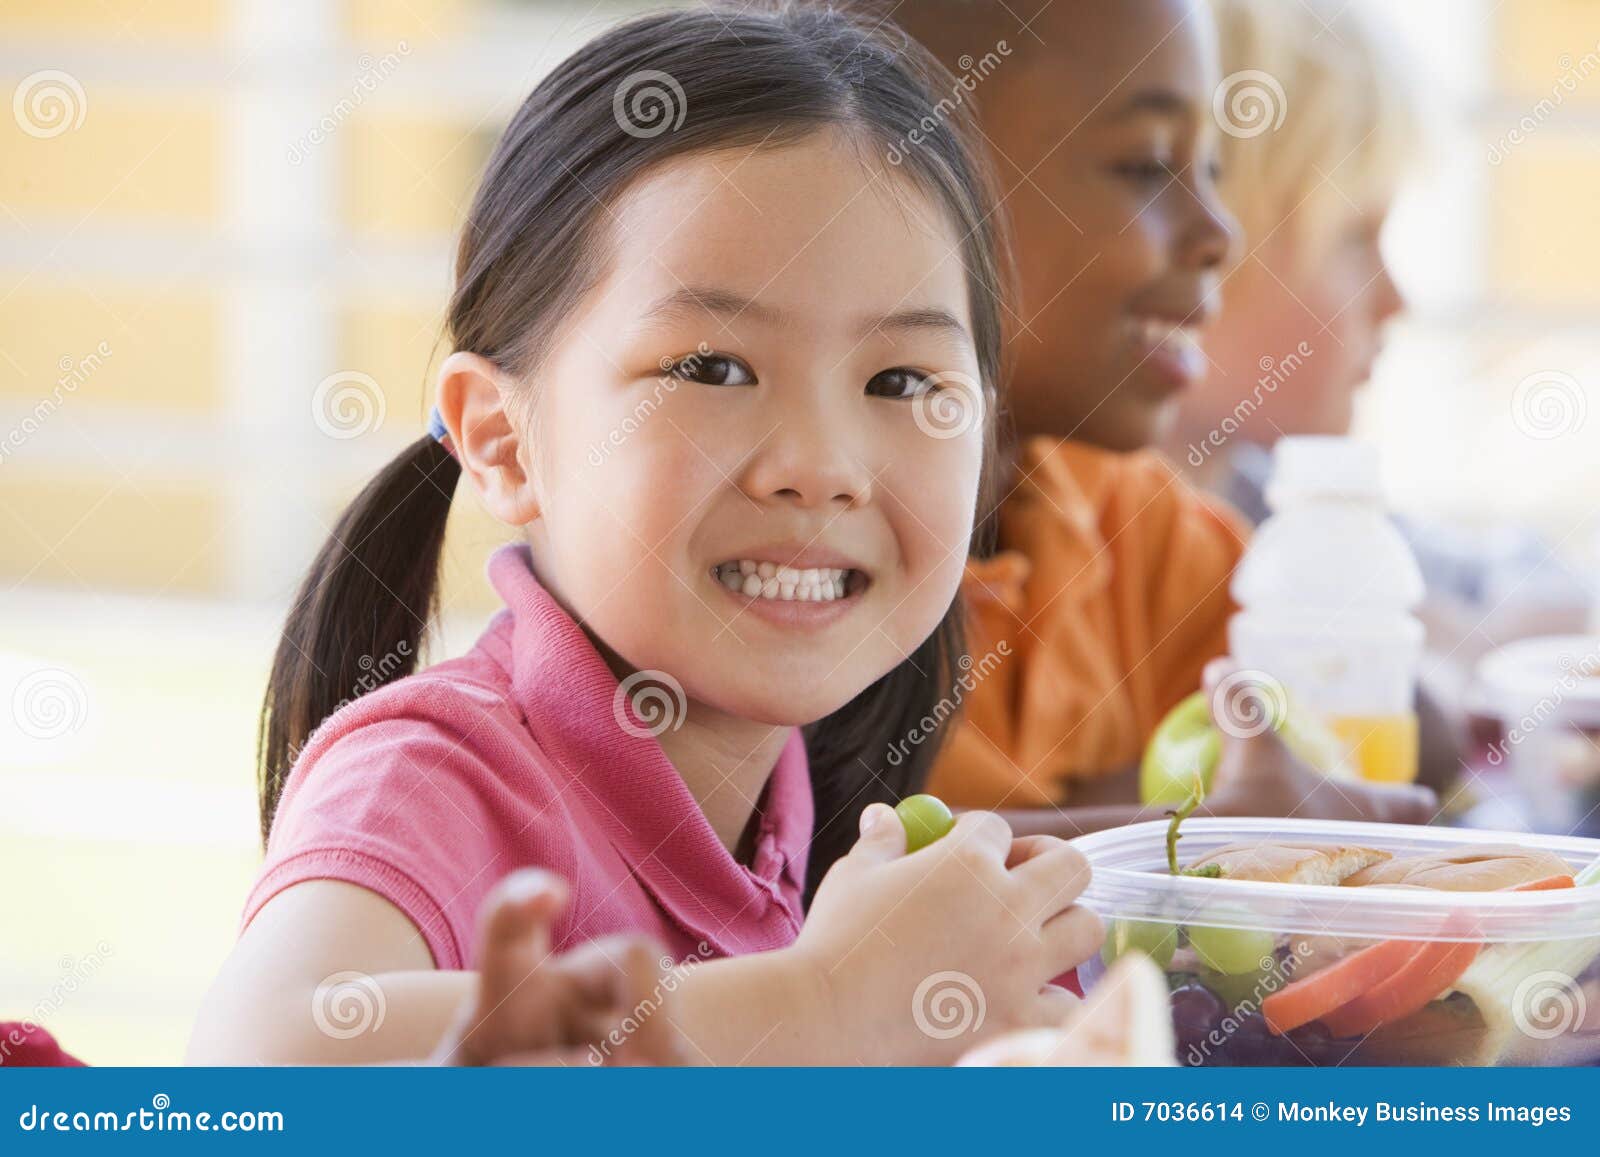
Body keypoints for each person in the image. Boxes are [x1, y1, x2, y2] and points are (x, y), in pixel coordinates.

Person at [186, 5, 1100, 1066]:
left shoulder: (795, 815)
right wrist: (818, 1006)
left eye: (900, 380)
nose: (822, 463)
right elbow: (258, 1070)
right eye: (711, 368)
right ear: (505, 438)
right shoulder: (439, 775)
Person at [894, 0, 1437, 831]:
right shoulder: (830, 542)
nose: (1220, 229)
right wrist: (1210, 828)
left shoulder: (1125, 524)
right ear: (917, 179)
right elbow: (866, 866)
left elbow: (1393, 719)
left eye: (1215, 171)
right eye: (1147, 167)